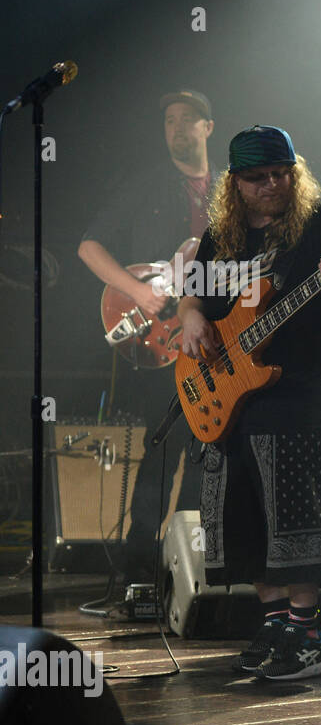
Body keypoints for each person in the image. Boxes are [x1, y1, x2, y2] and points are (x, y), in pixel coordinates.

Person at [177, 125, 321, 680]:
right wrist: (190, 315)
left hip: (299, 392)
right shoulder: (223, 235)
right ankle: (275, 623)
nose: (272, 185)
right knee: (239, 513)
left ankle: (308, 632)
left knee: (296, 509)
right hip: (226, 391)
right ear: (235, 183)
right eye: (258, 178)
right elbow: (195, 290)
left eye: (282, 173)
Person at [78, 89, 216, 582]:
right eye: (169, 120)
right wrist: (137, 291)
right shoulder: (145, 185)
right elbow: (88, 247)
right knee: (162, 453)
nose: (176, 128)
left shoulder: (229, 191)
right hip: (160, 340)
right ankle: (138, 574)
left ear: (208, 128)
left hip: (212, 341)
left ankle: (191, 573)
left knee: (209, 454)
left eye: (186, 119)